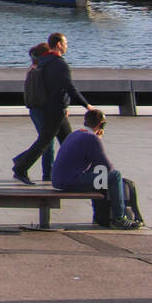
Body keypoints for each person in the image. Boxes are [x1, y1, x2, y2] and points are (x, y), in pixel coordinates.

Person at [12, 32, 94, 185]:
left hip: (52, 109)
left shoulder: (44, 62)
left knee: (68, 141)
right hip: (56, 110)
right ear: (59, 45)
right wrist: (87, 105)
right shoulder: (59, 64)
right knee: (45, 143)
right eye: (65, 43)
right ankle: (21, 168)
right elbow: (69, 87)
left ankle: (77, 171)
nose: (67, 46)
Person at [52, 109, 143, 230]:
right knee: (115, 176)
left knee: (100, 176)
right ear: (101, 124)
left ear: (85, 122)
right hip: (70, 182)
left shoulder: (74, 134)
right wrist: (99, 140)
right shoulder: (92, 138)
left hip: (58, 180)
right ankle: (119, 219)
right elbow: (108, 168)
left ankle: (100, 216)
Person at [23, 42, 59, 182]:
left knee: (45, 142)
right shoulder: (42, 70)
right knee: (46, 143)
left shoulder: (32, 69)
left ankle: (48, 173)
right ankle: (47, 173)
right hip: (43, 110)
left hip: (35, 109)